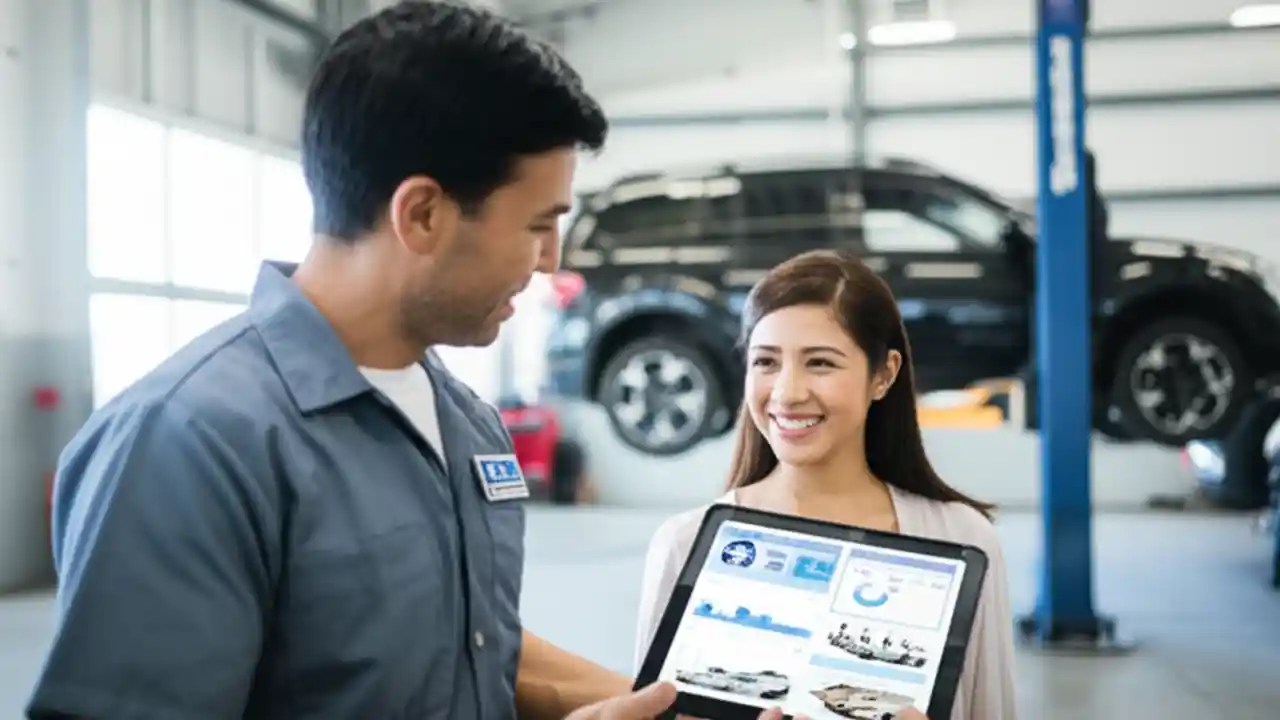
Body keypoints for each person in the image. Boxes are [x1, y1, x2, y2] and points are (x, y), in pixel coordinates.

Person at [22, 3, 781, 719]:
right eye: (538, 225)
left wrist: (670, 706)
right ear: (421, 214)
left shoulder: (466, 423)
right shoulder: (190, 444)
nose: (550, 262)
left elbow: (468, 653)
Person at [633, 250, 1018, 720]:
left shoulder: (961, 538)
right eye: (766, 362)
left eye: (819, 363)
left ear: (884, 374)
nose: (788, 393)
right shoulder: (684, 544)